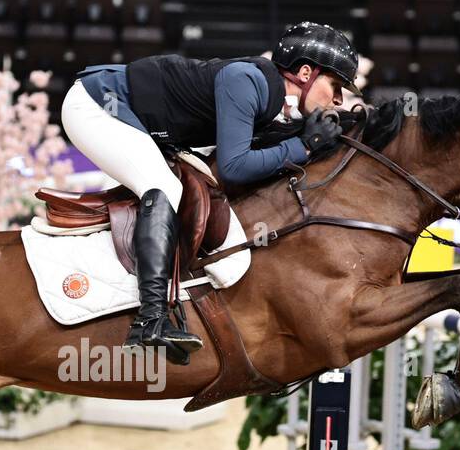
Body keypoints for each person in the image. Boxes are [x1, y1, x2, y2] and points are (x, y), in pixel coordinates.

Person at [62, 22, 356, 362]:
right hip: (97, 104)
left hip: (130, 114)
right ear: (305, 73)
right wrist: (303, 145)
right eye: (335, 85)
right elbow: (234, 167)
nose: (338, 99)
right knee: (163, 187)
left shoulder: (273, 98)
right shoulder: (247, 81)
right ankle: (150, 319)